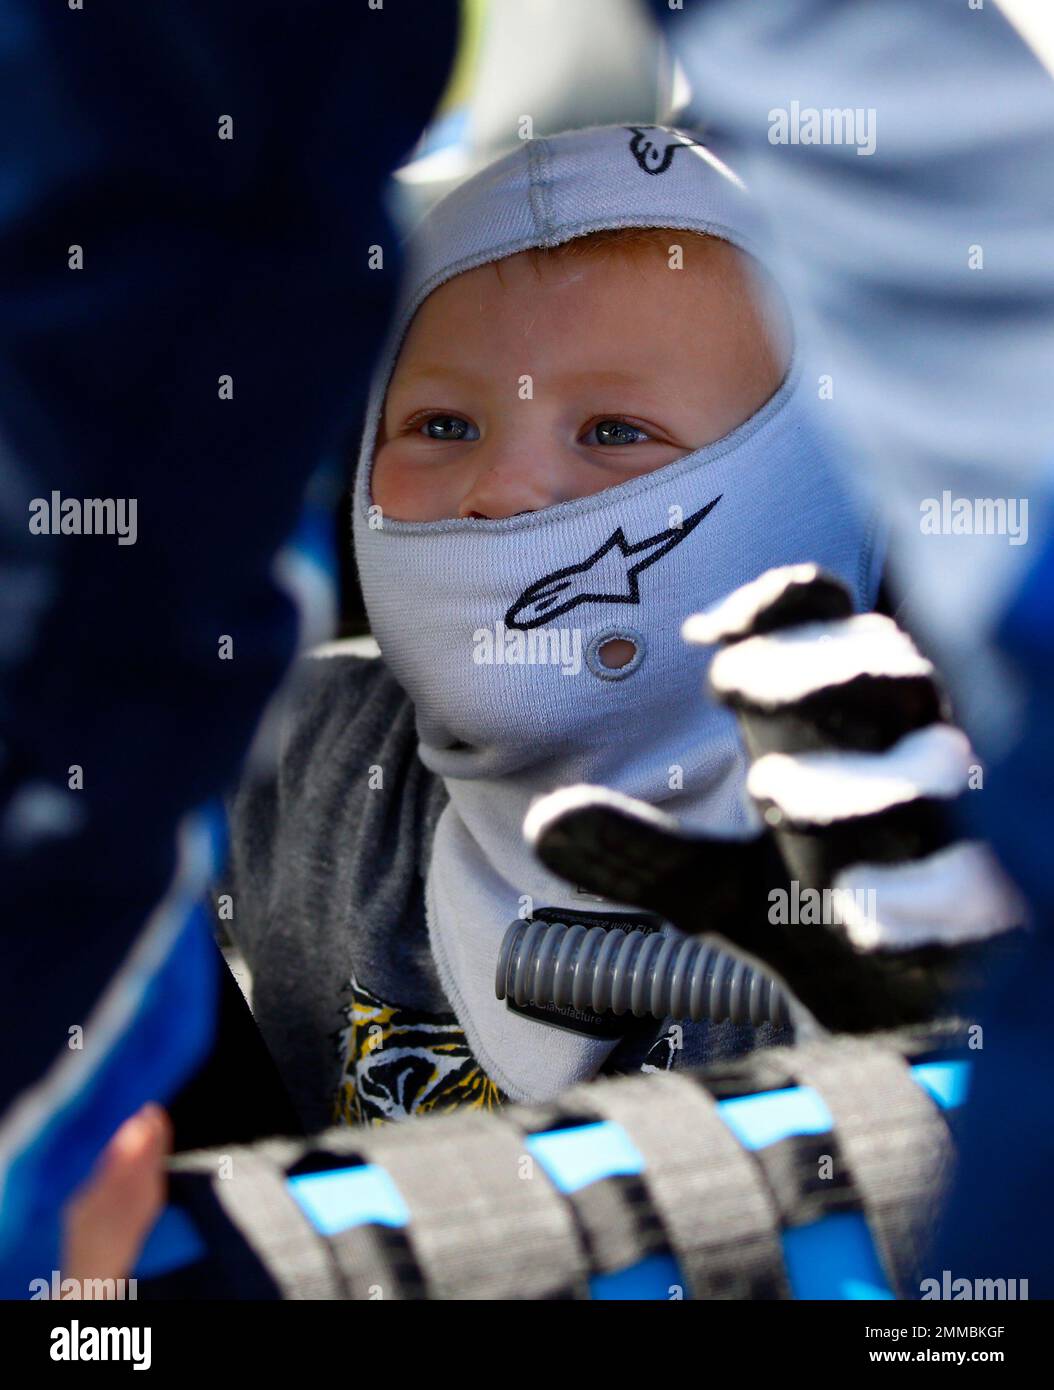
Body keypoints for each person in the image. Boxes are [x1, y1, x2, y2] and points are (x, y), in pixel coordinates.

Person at [219, 124, 884, 1130]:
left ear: (800, 493)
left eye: (616, 432)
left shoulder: (902, 835)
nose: (500, 489)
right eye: (443, 426)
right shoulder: (302, 750)